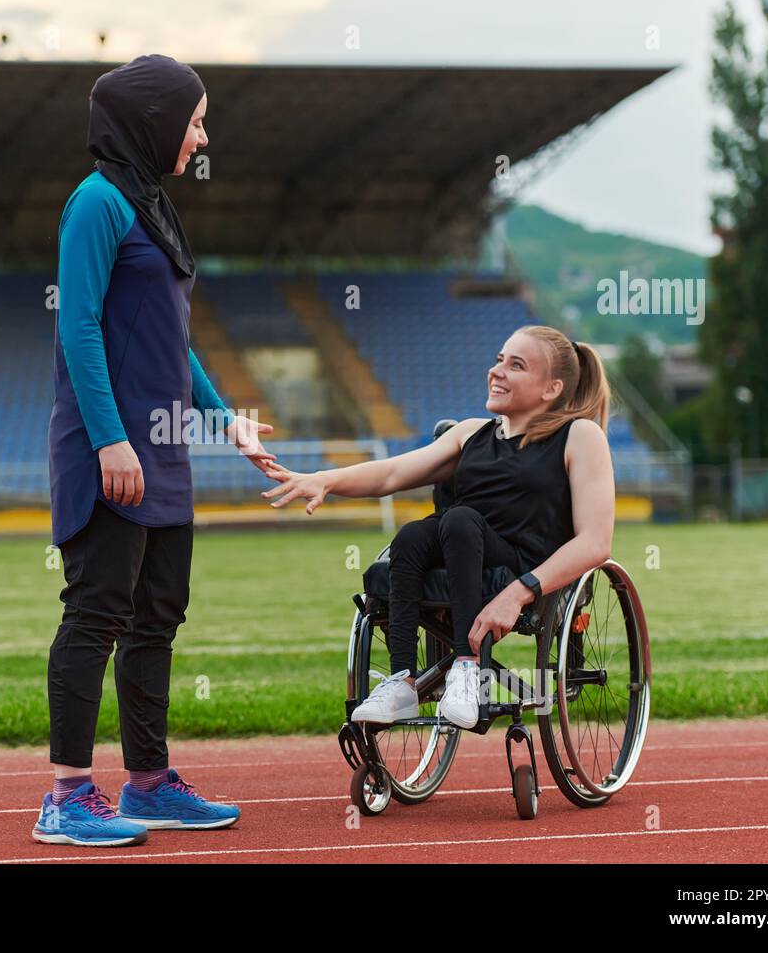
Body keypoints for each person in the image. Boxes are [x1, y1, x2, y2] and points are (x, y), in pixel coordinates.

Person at [35, 54, 276, 847]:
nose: (201, 138)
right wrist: (111, 438)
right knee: (96, 612)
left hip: (163, 450)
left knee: (157, 618)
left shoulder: (152, 203)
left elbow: (173, 342)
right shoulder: (97, 202)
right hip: (110, 449)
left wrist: (226, 421)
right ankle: (67, 797)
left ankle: (148, 785)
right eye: (195, 121)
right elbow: (77, 327)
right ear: (154, 120)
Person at [261, 325, 615, 729]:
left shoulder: (579, 436)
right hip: (465, 550)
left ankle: (467, 668)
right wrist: (325, 480)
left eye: (516, 365)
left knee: (460, 519)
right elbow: (392, 473)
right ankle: (402, 681)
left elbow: (595, 542)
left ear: (552, 388)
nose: (497, 371)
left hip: (527, 567)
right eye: (499, 360)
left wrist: (518, 593)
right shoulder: (470, 433)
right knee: (414, 535)